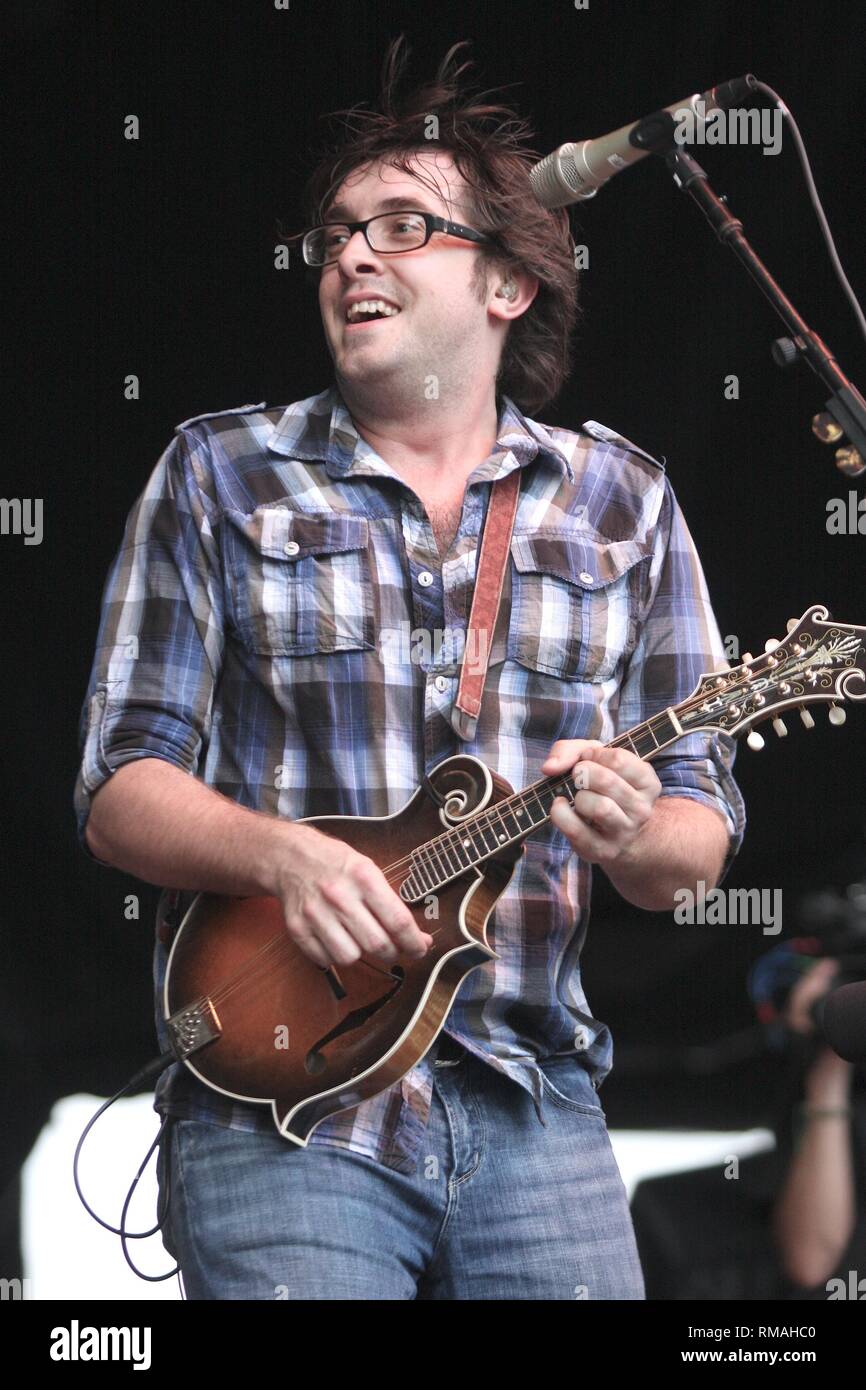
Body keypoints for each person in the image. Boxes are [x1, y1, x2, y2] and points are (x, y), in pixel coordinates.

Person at [73, 37, 745, 1300]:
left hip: (535, 1099)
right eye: (335, 234)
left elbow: (690, 850)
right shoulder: (221, 473)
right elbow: (117, 788)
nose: (350, 257)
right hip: (286, 1096)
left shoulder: (623, 502)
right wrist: (288, 857)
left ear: (505, 284)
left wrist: (631, 825)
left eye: (400, 227)